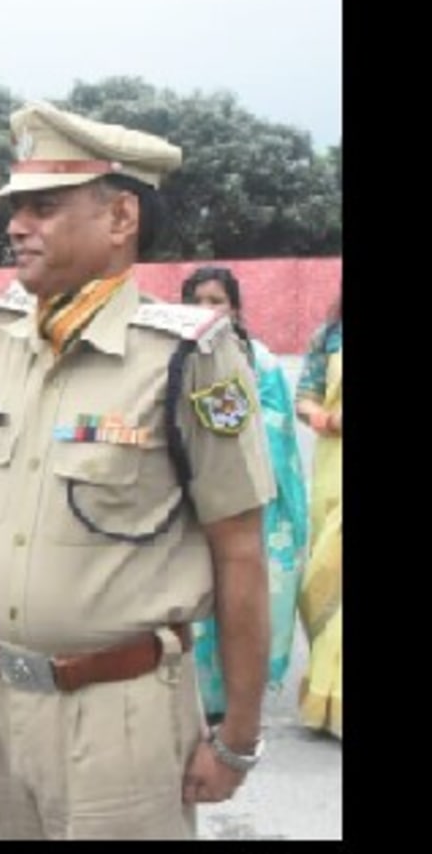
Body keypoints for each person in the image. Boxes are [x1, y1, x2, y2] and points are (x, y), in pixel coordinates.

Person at [0, 101, 275, 839]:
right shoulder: (2, 337)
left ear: (120, 218)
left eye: (44, 207)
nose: (17, 225)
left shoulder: (186, 356)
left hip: (122, 715)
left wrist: (237, 737)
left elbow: (241, 552)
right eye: (15, 209)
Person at [179, 266, 309, 726]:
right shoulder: (173, 358)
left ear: (234, 307)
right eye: (197, 300)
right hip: (190, 501)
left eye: (216, 300)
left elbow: (278, 432)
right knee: (196, 592)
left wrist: (232, 441)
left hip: (254, 502)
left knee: (244, 594)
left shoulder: (263, 361)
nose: (207, 310)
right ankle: (199, 690)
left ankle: (239, 696)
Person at [294, 293, 342, 739]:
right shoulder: (328, 337)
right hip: (333, 471)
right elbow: (303, 398)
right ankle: (324, 700)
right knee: (322, 585)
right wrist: (327, 419)